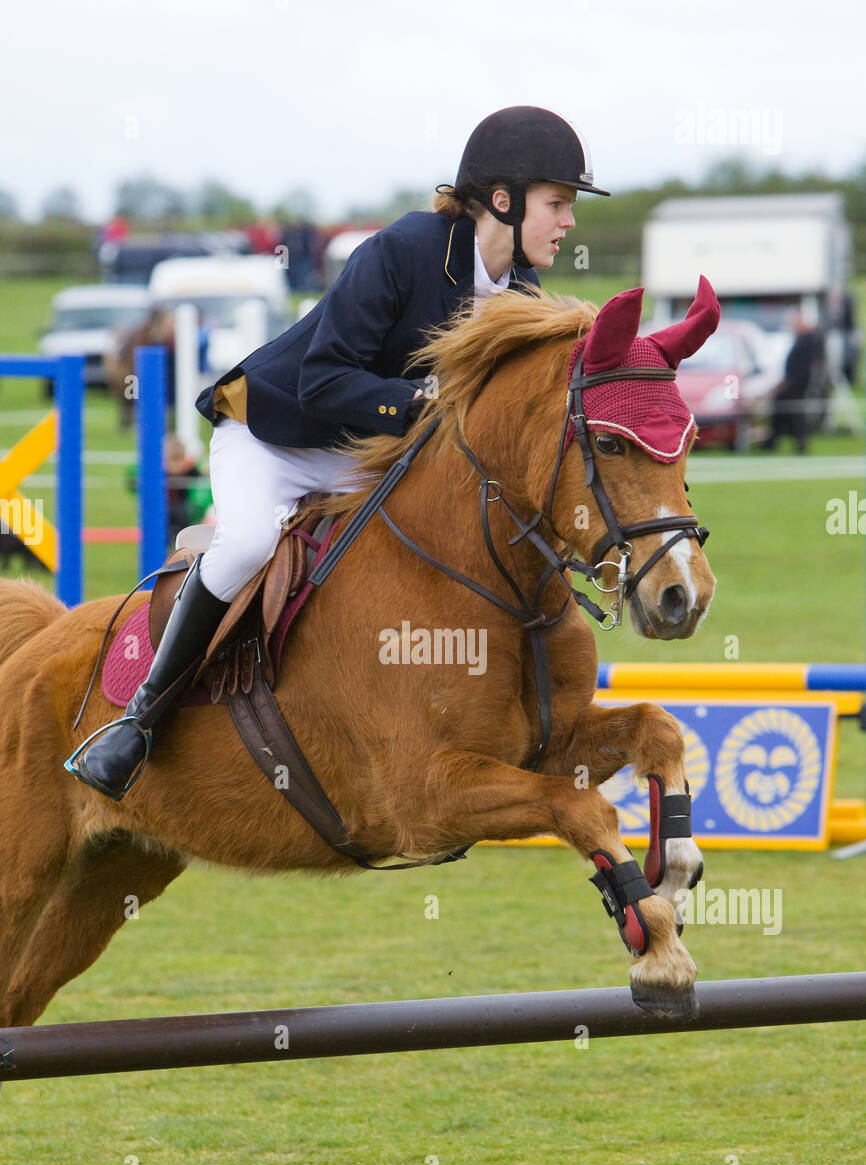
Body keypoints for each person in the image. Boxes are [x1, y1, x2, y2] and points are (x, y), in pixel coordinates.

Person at [66, 106, 610, 800]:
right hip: (277, 435)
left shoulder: (522, 291)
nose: (568, 222)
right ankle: (140, 720)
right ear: (503, 199)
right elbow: (325, 377)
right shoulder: (404, 249)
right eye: (558, 204)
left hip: (364, 452)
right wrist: (419, 402)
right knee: (245, 546)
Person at [760, 312, 824, 454]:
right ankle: (775, 442)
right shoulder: (804, 339)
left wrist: (788, 382)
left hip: (796, 384)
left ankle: (787, 444)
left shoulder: (808, 340)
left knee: (795, 414)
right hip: (793, 382)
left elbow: (801, 367)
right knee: (786, 413)